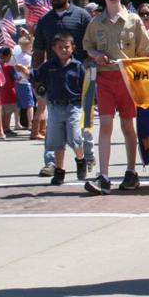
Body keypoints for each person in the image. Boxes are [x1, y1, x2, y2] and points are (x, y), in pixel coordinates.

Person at [83, 0, 149, 194]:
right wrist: (95, 55)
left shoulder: (134, 20)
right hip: (105, 79)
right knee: (105, 125)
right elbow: (88, 47)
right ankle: (103, 177)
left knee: (128, 126)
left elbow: (145, 53)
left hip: (127, 79)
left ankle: (131, 172)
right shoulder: (95, 23)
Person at [32, 0, 91, 177]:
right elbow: (39, 50)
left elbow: (90, 46)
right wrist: (37, 80)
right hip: (54, 76)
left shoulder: (82, 16)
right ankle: (51, 163)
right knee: (53, 125)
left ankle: (85, 158)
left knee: (81, 125)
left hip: (79, 75)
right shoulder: (45, 20)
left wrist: (91, 76)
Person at [34, 31, 87, 186]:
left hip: (73, 106)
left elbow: (87, 86)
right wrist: (25, 72)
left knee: (75, 138)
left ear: (73, 48)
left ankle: (81, 159)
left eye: (67, 47)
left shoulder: (77, 67)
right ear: (54, 49)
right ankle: (59, 171)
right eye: (60, 47)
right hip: (55, 107)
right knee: (57, 142)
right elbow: (37, 76)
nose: (64, 50)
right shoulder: (49, 66)